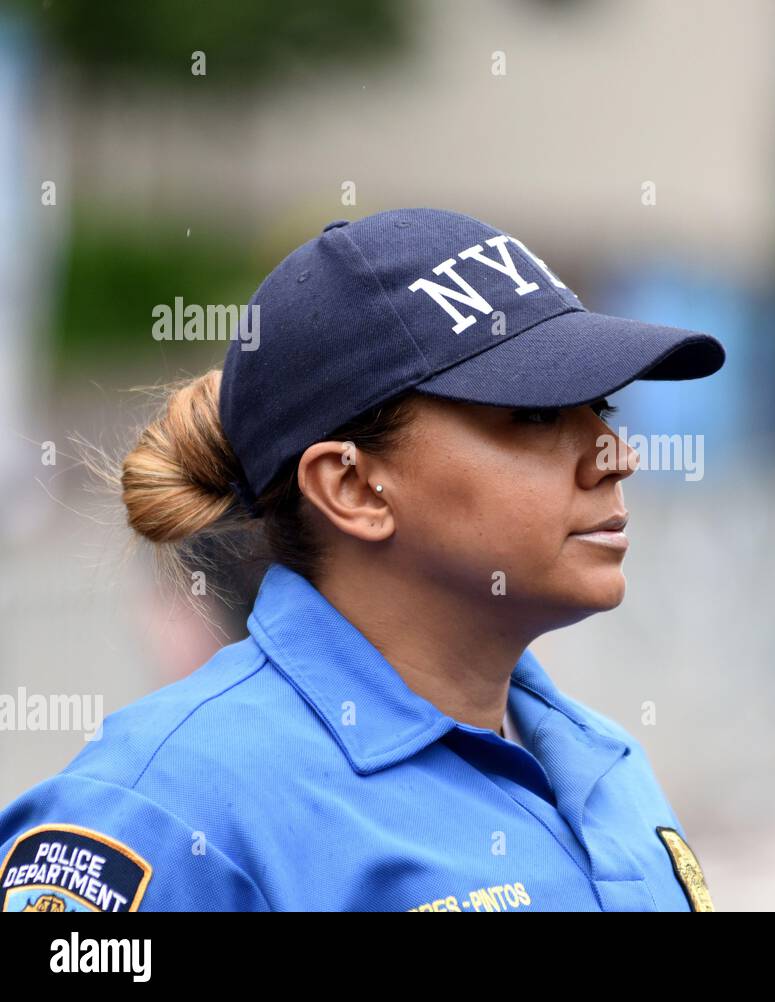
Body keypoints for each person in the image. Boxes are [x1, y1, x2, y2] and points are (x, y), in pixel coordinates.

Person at [0, 208, 723, 912]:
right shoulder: (165, 810)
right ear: (351, 487)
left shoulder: (603, 762)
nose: (617, 456)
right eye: (533, 414)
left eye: (606, 411)